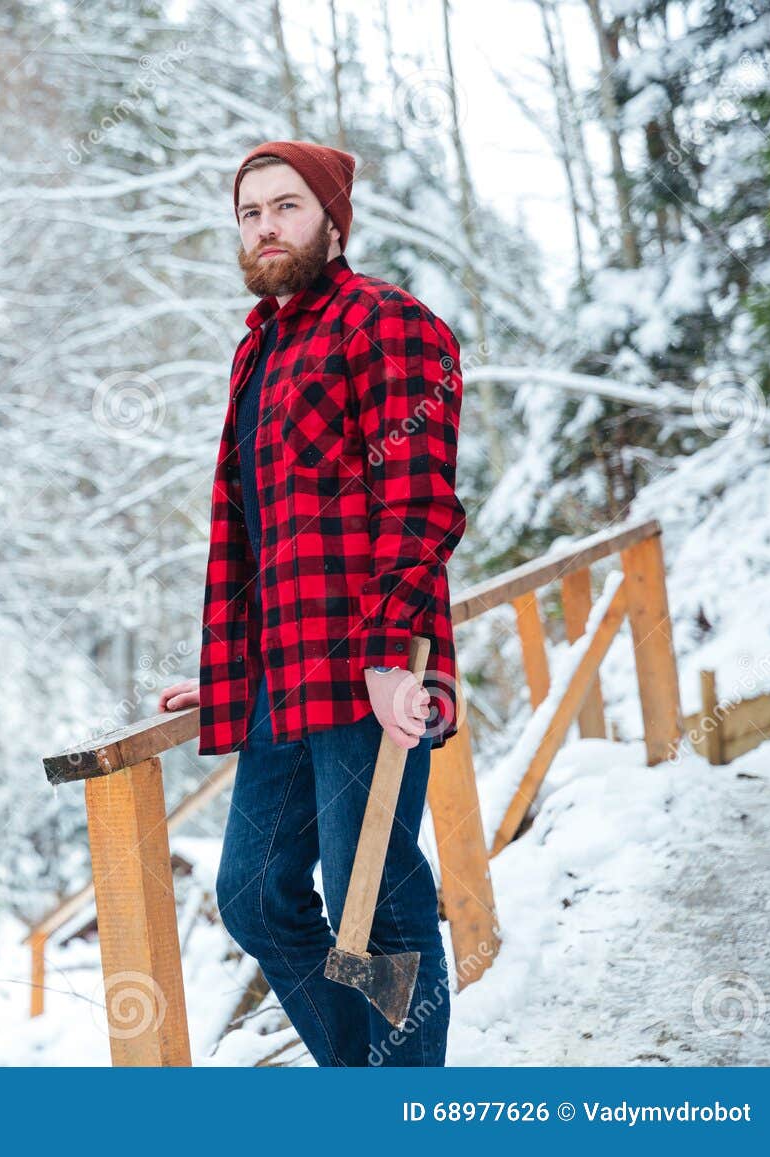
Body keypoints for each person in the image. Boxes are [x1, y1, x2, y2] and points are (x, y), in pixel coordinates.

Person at [156, 140, 468, 1066]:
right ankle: (361, 1075)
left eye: (286, 207)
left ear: (333, 220)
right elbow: (255, 536)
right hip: (279, 681)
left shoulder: (387, 322)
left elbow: (421, 504)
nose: (265, 228)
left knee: (376, 899)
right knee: (253, 893)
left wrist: (383, 657)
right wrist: (224, 670)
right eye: (250, 213)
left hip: (373, 672)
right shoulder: (258, 350)